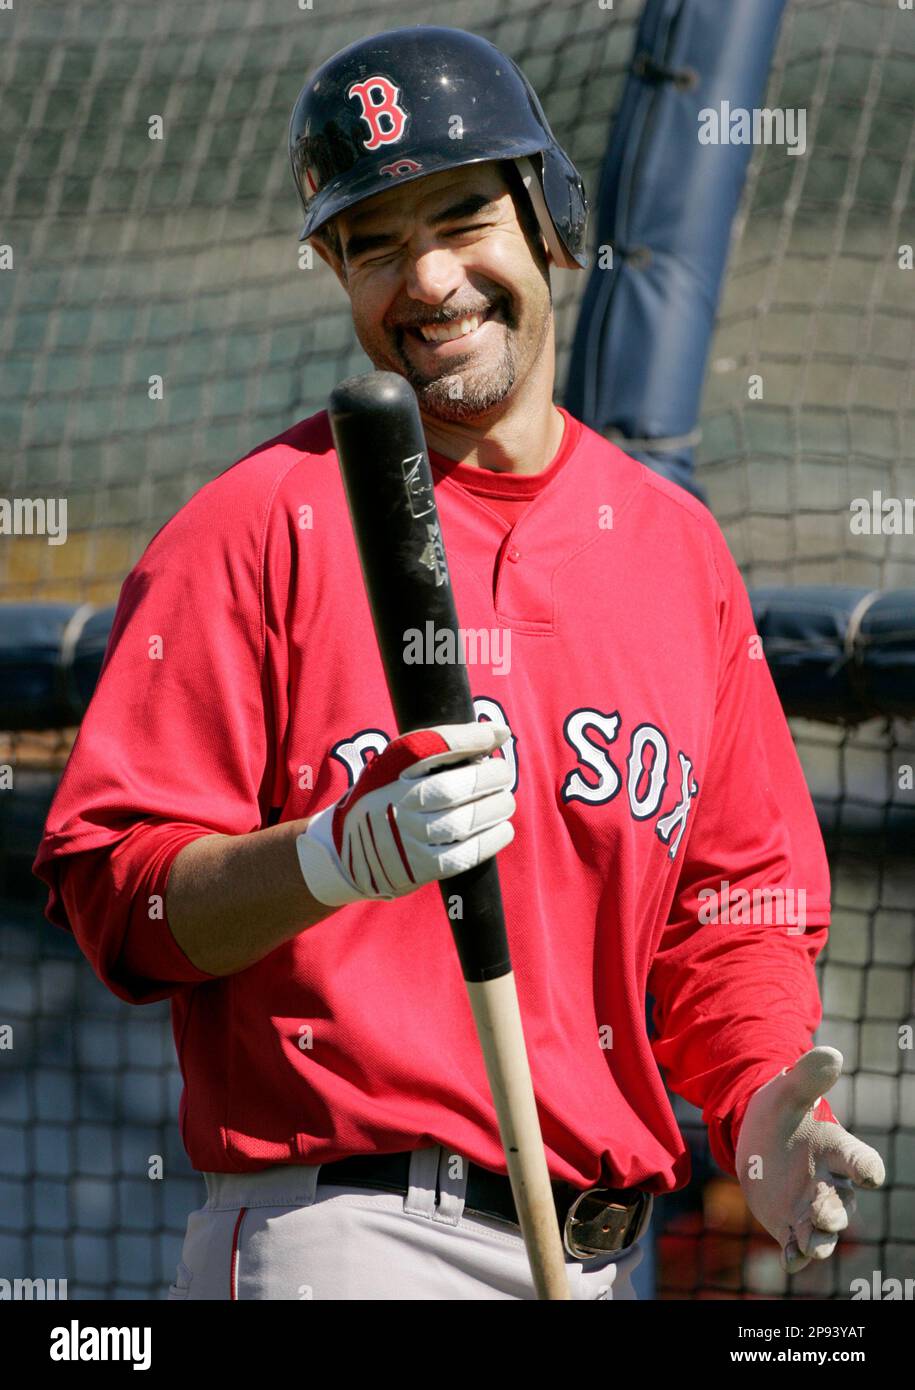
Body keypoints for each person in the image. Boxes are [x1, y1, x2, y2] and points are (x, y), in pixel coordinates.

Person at [33, 26, 883, 1302]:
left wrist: (759, 1092)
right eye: (375, 242)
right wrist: (329, 857)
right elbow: (117, 894)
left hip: (602, 1255)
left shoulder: (674, 552)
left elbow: (734, 909)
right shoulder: (256, 524)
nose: (428, 280)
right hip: (350, 1231)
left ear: (550, 218)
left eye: (463, 217)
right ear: (333, 268)